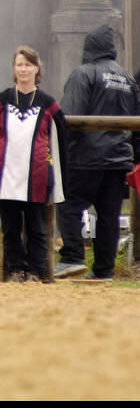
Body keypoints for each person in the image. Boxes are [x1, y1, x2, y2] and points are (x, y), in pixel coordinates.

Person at [56, 24, 140, 281]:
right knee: (109, 215)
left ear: (89, 46)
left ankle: (71, 257)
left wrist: (62, 152)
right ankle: (104, 270)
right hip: (118, 160)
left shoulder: (83, 74)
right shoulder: (126, 79)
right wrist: (133, 156)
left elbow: (69, 117)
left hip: (85, 157)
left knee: (68, 204)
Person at [0, 47, 67, 283]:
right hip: (6, 172)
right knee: (10, 229)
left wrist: (61, 180)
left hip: (37, 174)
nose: (23, 69)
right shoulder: (0, 101)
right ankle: (15, 269)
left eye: (28, 64)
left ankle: (36, 271)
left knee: (37, 228)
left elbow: (61, 143)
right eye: (19, 64)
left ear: (37, 68)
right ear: (13, 68)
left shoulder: (49, 104)